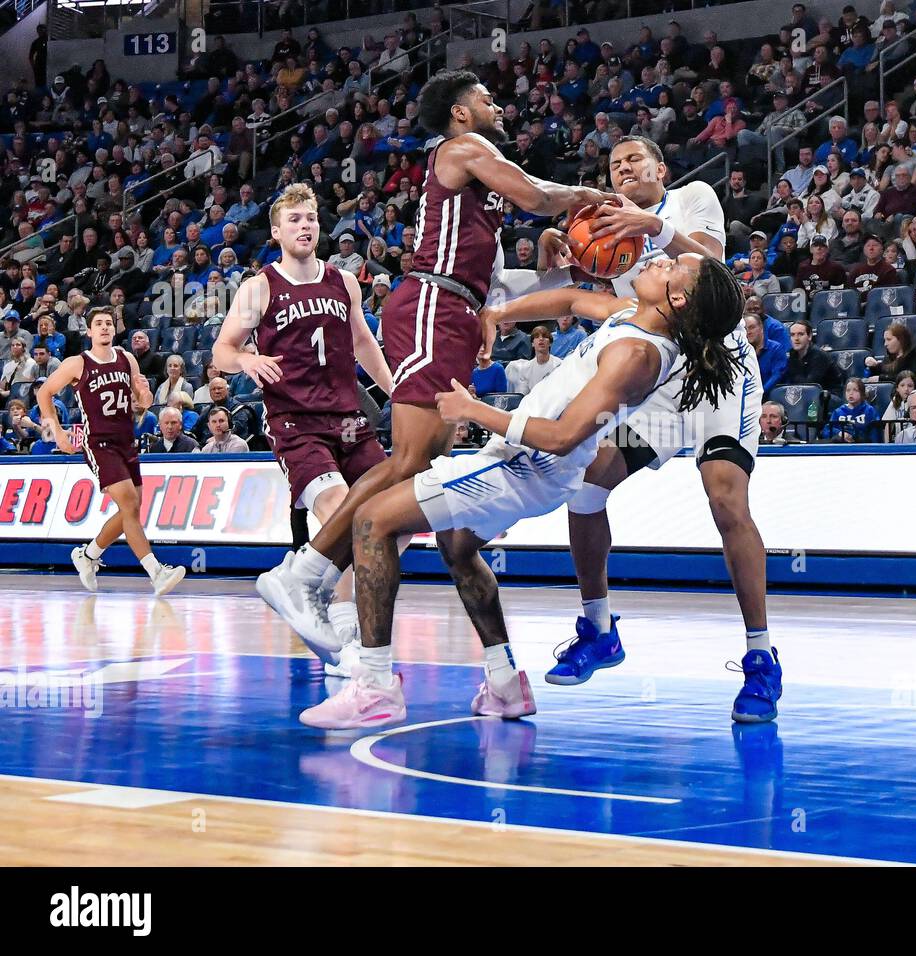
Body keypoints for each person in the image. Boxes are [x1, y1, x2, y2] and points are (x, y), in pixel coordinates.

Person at [297, 255, 746, 729]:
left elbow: (562, 435)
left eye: (672, 266)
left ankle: (374, 686)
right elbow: (571, 297)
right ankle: (506, 684)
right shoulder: (631, 313)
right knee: (458, 545)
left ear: (677, 298)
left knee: (373, 521)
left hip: (530, 466)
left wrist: (473, 410)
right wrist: (496, 314)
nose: (658, 260)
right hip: (527, 460)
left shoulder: (638, 354)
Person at [254, 70, 610, 652]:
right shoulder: (462, 149)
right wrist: (592, 198)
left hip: (457, 311)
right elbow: (539, 197)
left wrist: (561, 268)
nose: (495, 101)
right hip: (430, 304)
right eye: (484, 97)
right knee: (410, 460)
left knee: (416, 470)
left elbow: (498, 285)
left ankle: (318, 581)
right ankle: (305, 574)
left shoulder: (481, 202)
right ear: (461, 114)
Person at [531, 136, 777, 721]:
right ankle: (599, 629)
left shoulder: (692, 197)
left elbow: (718, 276)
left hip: (720, 369)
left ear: (660, 168)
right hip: (663, 378)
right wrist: (557, 257)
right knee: (587, 486)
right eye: (613, 164)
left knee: (725, 502)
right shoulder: (602, 222)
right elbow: (569, 300)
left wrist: (654, 228)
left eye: (634, 159)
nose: (622, 169)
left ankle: (761, 659)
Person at [215, 183, 394, 673]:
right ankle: (308, 591)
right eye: (294, 219)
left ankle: (337, 618)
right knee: (340, 508)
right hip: (296, 423)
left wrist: (398, 388)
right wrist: (248, 360)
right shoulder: (259, 286)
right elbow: (221, 352)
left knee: (386, 520)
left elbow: (363, 344)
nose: (304, 225)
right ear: (276, 231)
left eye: (311, 218)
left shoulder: (345, 282)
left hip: (351, 418)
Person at [36, 308, 186, 596]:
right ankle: (156, 573)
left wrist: (144, 396)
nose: (104, 328)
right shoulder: (76, 364)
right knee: (129, 503)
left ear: (113, 329)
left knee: (132, 508)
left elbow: (143, 398)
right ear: (89, 332)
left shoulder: (126, 358)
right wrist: (56, 431)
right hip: (99, 442)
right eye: (98, 324)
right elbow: (44, 393)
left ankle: (88, 555)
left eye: (108, 323)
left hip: (127, 440)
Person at [821, 377, 879, 442]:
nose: (851, 393)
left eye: (855, 390)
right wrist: (839, 433)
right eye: (848, 390)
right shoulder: (838, 412)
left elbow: (875, 434)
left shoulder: (870, 411)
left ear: (862, 393)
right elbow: (826, 431)